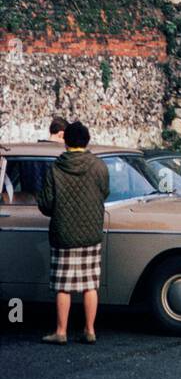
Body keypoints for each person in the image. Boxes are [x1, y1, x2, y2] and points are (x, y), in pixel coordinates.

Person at [38, 121, 109, 344]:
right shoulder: (99, 166)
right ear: (86, 141)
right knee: (89, 285)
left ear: (66, 141)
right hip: (90, 234)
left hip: (63, 234)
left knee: (63, 287)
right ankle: (90, 330)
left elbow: (46, 204)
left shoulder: (55, 168)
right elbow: (105, 193)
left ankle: (61, 332)